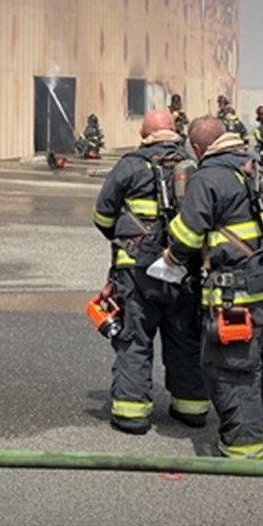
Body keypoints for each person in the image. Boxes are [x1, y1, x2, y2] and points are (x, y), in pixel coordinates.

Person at [164, 115, 263, 459]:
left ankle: (243, 448)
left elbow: (188, 235)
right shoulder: (254, 168)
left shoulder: (208, 177)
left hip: (236, 295)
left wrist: (170, 255)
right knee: (261, 367)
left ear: (196, 147)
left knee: (233, 372)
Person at [91, 109, 209, 434]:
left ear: (144, 134)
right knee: (185, 337)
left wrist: (126, 240)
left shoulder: (130, 165)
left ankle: (131, 413)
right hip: (183, 268)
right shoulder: (195, 165)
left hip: (136, 271)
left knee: (134, 338)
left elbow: (102, 215)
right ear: (175, 131)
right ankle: (192, 407)